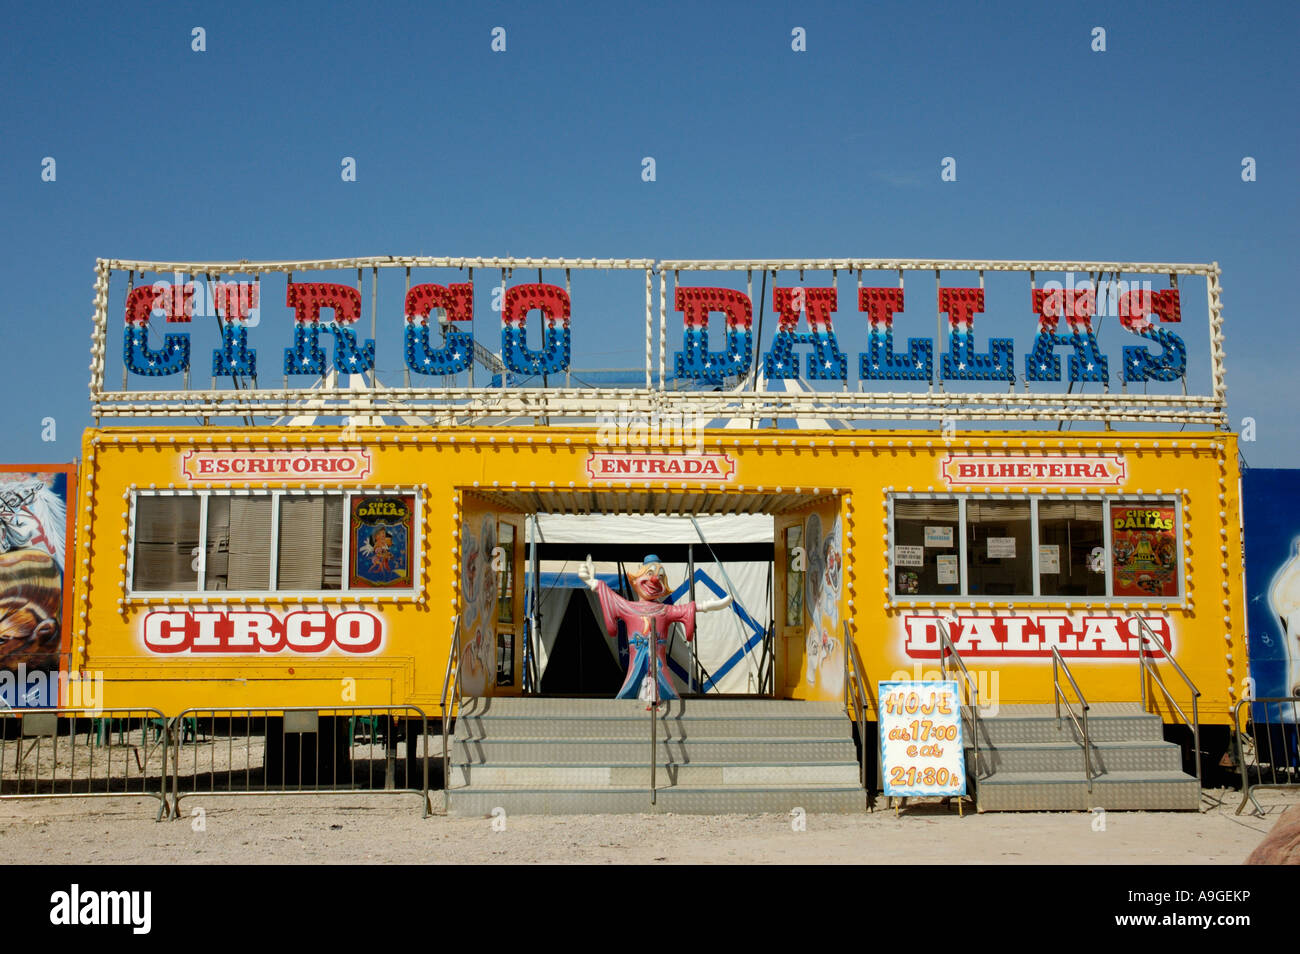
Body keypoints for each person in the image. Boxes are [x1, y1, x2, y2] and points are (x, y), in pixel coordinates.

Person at [578, 554, 731, 702]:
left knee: (659, 687)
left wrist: (707, 606)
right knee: (638, 686)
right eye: (650, 573)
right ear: (637, 578)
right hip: (637, 660)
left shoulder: (664, 610)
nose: (654, 579)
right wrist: (592, 581)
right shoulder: (629, 608)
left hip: (658, 663)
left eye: (660, 577)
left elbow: (687, 609)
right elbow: (609, 597)